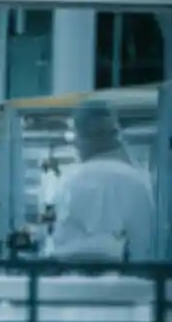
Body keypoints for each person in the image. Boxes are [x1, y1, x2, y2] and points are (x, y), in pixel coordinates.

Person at [50, 100, 155, 262]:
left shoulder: (70, 180)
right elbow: (145, 241)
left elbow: (62, 240)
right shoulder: (139, 181)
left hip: (74, 279)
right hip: (133, 280)